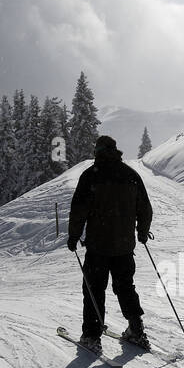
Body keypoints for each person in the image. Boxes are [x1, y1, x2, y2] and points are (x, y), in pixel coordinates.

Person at [67, 135, 153, 351]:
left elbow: (79, 209)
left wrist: (73, 235)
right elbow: (145, 208)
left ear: (97, 151)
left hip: (98, 246)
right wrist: (142, 232)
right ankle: (136, 328)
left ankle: (92, 337)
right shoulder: (130, 175)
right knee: (125, 287)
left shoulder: (91, 176)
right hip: (124, 246)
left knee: (94, 289)